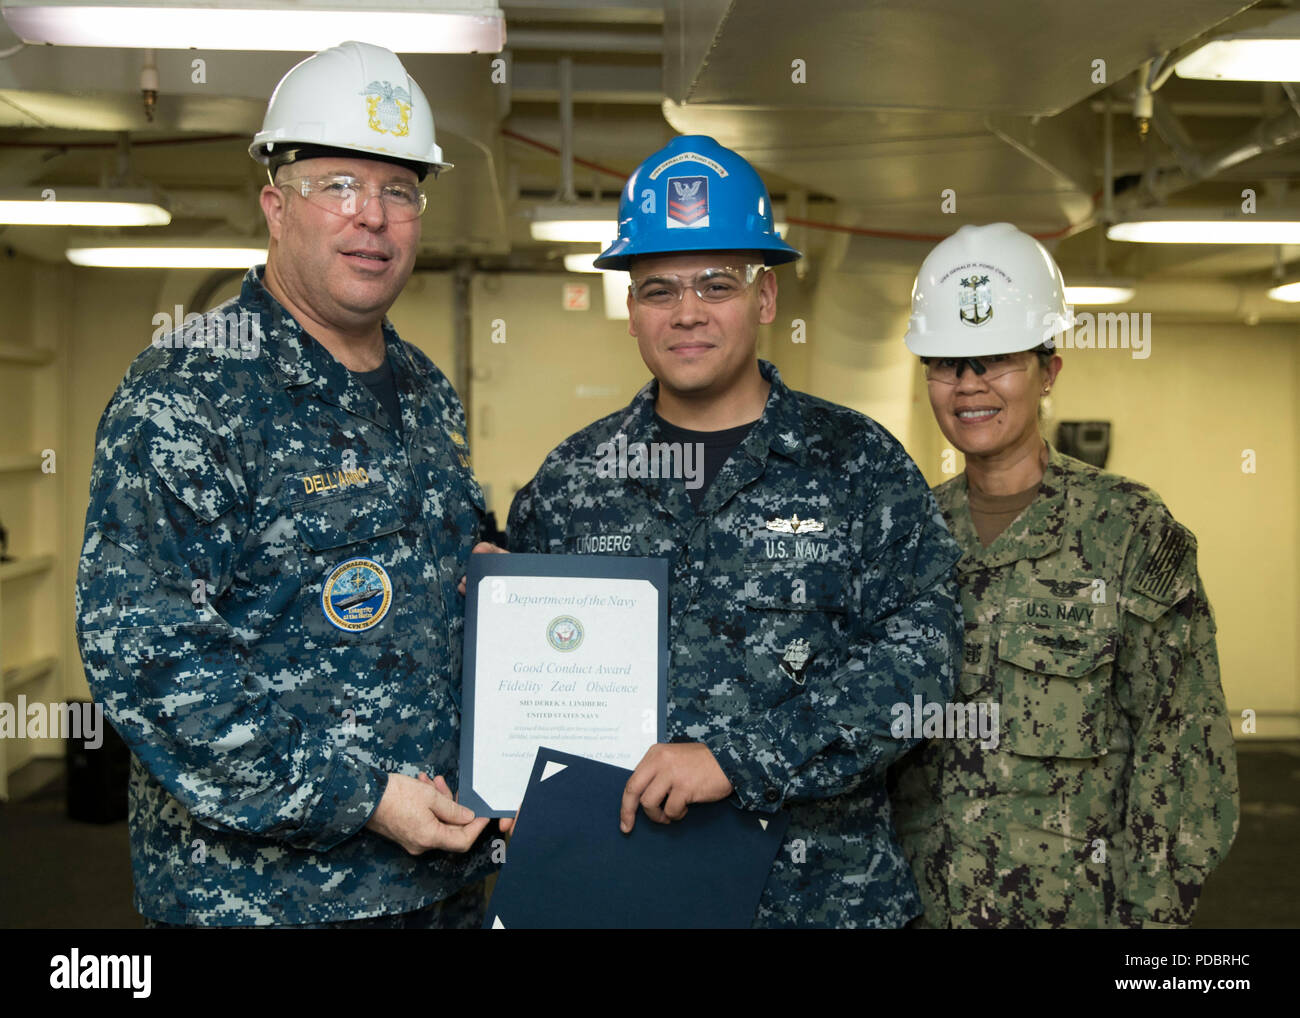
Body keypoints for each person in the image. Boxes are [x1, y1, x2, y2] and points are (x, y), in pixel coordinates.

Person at [75, 41, 500, 927]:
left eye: (398, 190)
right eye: (337, 186)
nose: (372, 218)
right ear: (276, 207)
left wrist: (492, 581)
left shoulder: (425, 391)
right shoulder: (188, 393)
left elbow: (443, 561)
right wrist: (363, 798)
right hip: (266, 901)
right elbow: (148, 656)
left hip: (441, 887)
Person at [506, 135, 963, 928]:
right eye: (658, 289)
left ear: (765, 297)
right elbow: (525, 677)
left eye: (716, 284)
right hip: (623, 892)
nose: (686, 313)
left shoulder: (859, 466)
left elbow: (920, 665)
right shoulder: (572, 481)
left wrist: (739, 759)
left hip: (821, 901)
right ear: (631, 310)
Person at [887, 222, 1240, 928]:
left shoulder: (1128, 529)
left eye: (996, 360)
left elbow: (1186, 752)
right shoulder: (906, 535)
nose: (969, 386)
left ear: (1049, 370)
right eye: (948, 363)